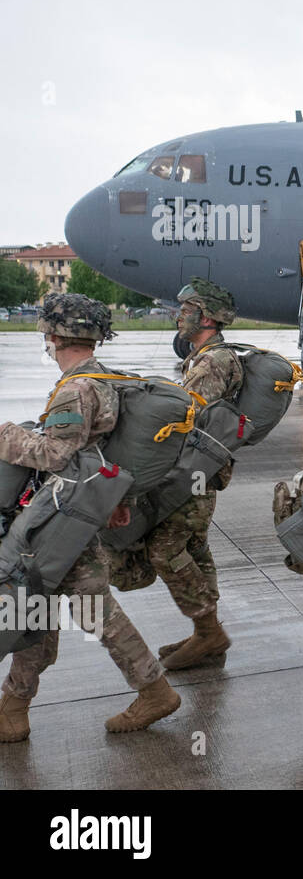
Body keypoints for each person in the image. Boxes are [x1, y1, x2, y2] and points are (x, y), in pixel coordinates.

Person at [0, 294, 181, 740]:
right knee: (42, 602)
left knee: (59, 603)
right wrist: (115, 504)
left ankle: (153, 691)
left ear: (55, 335)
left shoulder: (76, 388)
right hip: (76, 512)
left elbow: (56, 453)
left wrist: (6, 436)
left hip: (63, 517)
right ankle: (14, 708)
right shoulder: (103, 380)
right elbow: (100, 453)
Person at [146, 279, 241, 670]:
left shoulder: (213, 362)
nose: (178, 315)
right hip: (201, 470)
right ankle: (208, 635)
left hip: (194, 471)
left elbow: (190, 416)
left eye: (186, 309)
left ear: (205, 316)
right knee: (196, 550)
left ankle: (208, 632)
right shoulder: (204, 357)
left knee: (165, 551)